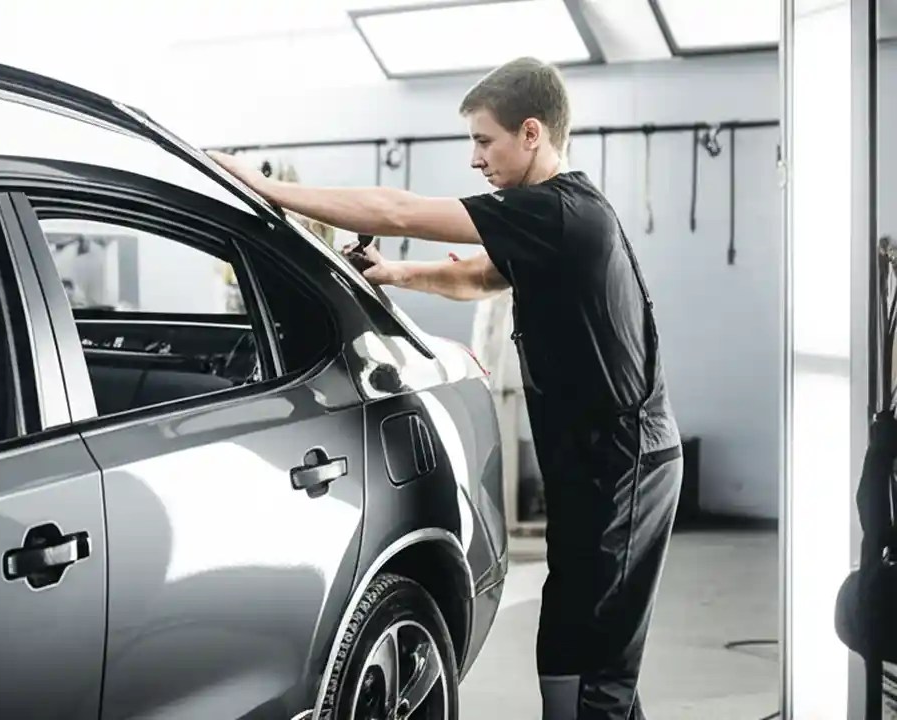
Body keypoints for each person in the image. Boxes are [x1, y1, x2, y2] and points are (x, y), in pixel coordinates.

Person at [207, 56, 683, 720]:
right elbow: (480, 278)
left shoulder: (558, 210)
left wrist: (271, 189)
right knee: (571, 641)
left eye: (483, 141)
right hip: (594, 461)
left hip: (623, 464)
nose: (474, 159)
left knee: (594, 661)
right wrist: (394, 276)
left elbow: (397, 208)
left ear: (530, 133)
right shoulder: (546, 221)